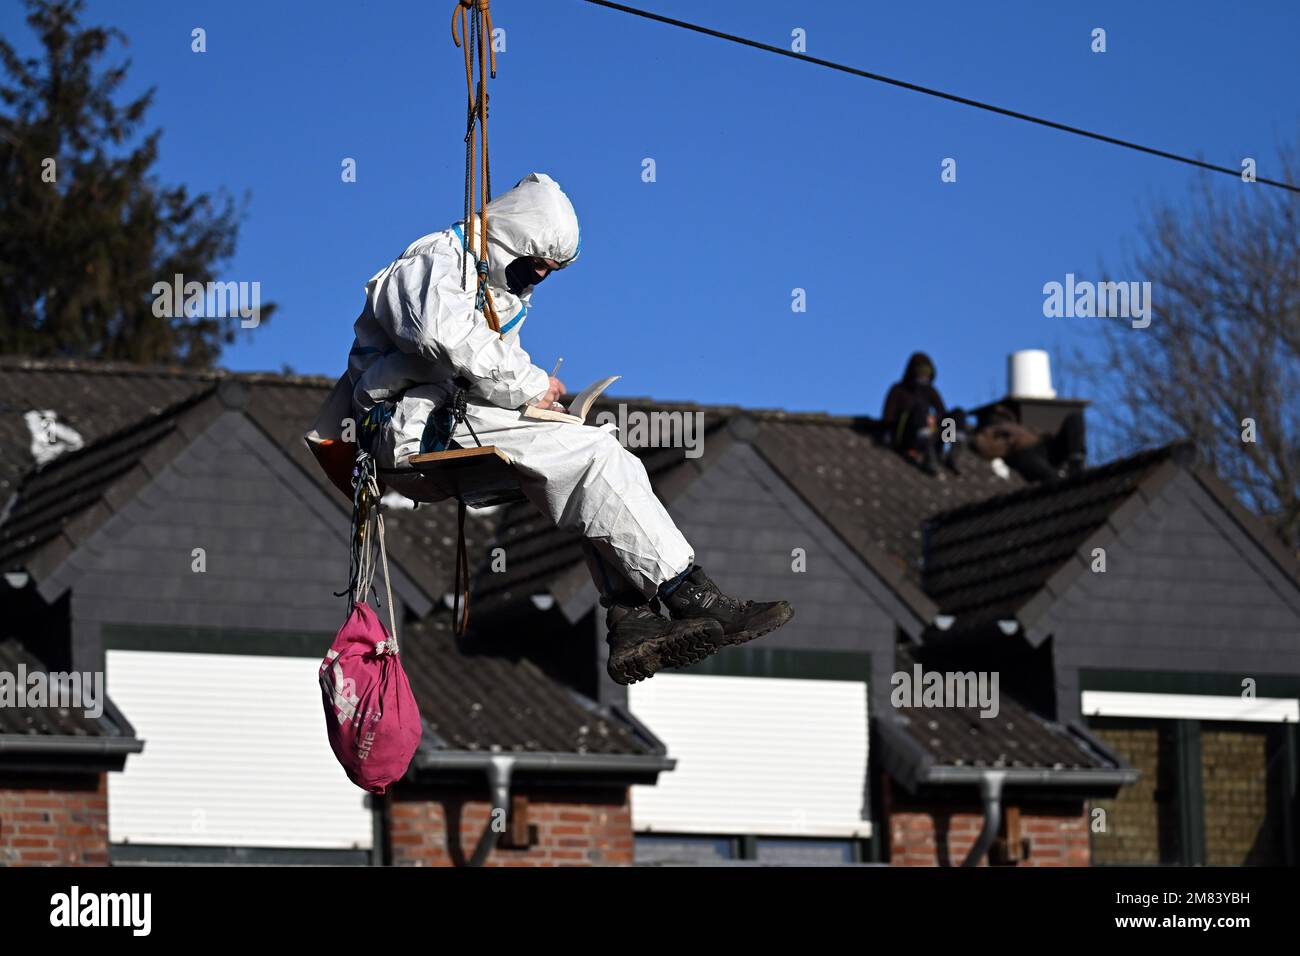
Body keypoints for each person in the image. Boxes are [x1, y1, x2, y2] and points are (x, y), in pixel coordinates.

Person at [343, 172, 793, 684]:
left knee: (594, 461)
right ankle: (689, 595)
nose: (536, 278)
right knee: (594, 453)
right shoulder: (435, 261)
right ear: (507, 236)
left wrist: (541, 405)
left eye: (549, 272)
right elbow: (441, 338)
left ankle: (633, 619)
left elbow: (486, 366)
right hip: (410, 425)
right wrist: (533, 386)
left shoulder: (497, 291)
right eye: (533, 263)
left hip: (442, 420)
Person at [881, 352, 960, 475]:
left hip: (931, 433)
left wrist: (935, 419)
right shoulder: (898, 390)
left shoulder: (930, 391)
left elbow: (942, 412)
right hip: (908, 436)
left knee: (955, 415)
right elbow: (888, 418)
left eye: (927, 372)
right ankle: (927, 452)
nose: (924, 376)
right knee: (920, 408)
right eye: (921, 372)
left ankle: (952, 450)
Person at [970, 405, 1086, 482]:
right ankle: (1062, 482)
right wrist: (1009, 443)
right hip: (1023, 454)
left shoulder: (1015, 423)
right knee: (1045, 473)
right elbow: (985, 448)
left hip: (1045, 446)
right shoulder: (988, 432)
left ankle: (1076, 461)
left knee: (1074, 417)